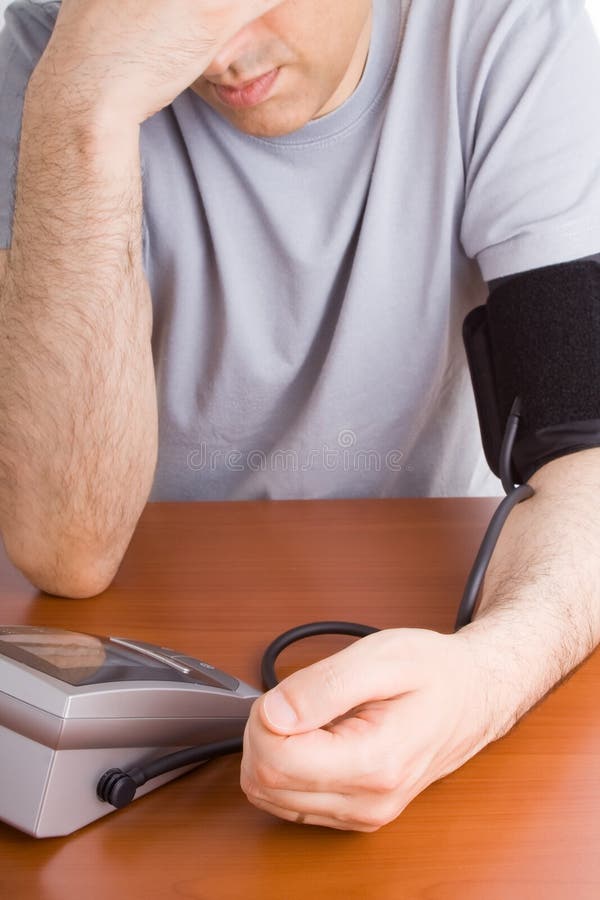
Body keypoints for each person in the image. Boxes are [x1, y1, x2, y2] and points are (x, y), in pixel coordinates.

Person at [0, 0, 599, 832]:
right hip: (130, 638)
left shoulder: (513, 28)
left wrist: (484, 681)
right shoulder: (61, 43)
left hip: (406, 605)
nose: (222, 56)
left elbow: (587, 454)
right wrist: (82, 107)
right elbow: (64, 548)